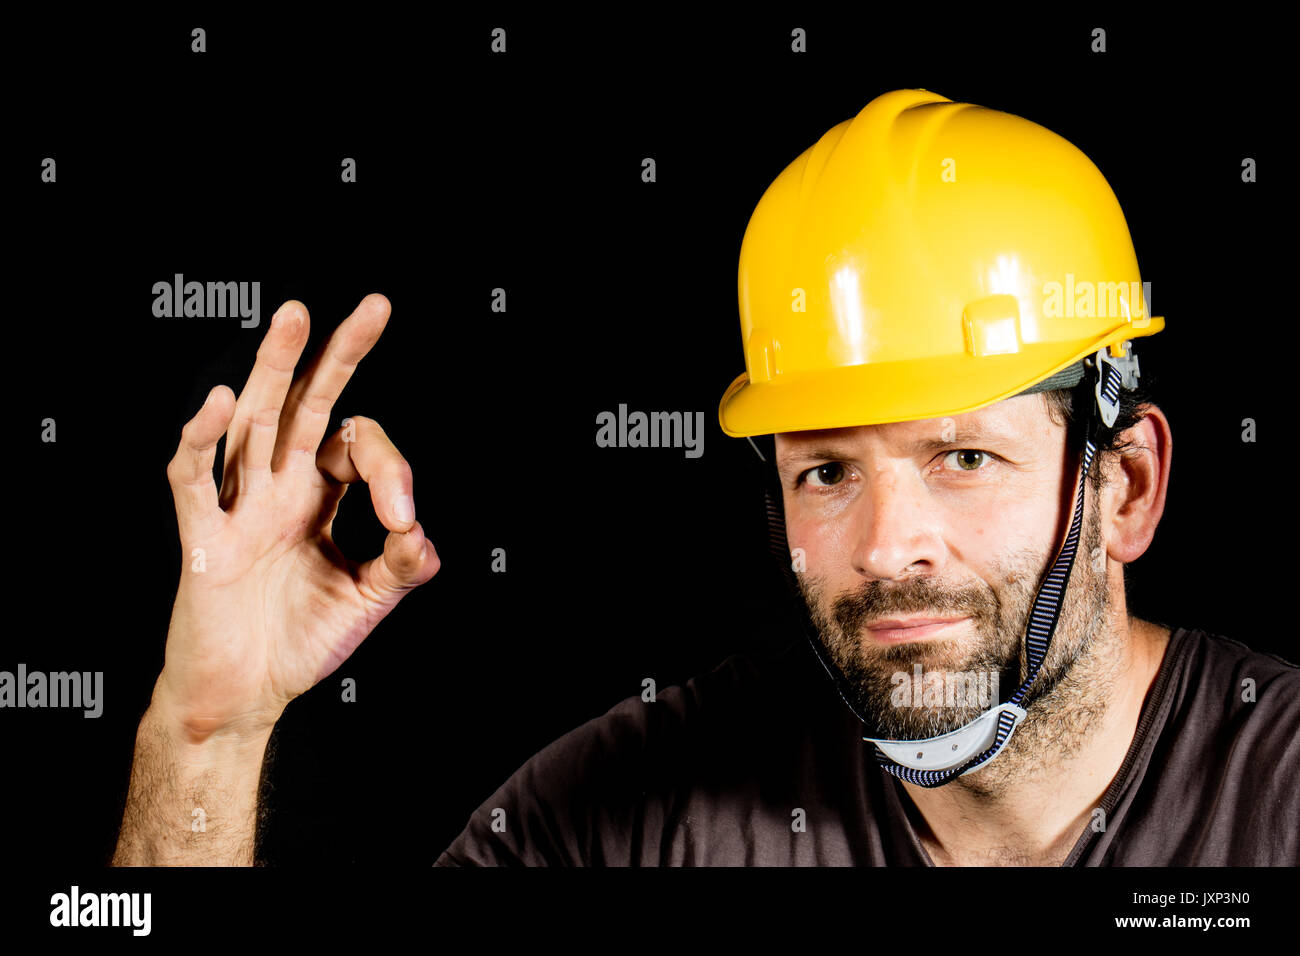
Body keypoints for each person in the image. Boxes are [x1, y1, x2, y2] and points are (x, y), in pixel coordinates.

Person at [113, 89, 1298, 867]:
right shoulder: (632, 817)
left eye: (964, 456)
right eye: (827, 468)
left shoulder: (1280, 790)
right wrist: (209, 730)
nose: (888, 546)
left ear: (1126, 486)